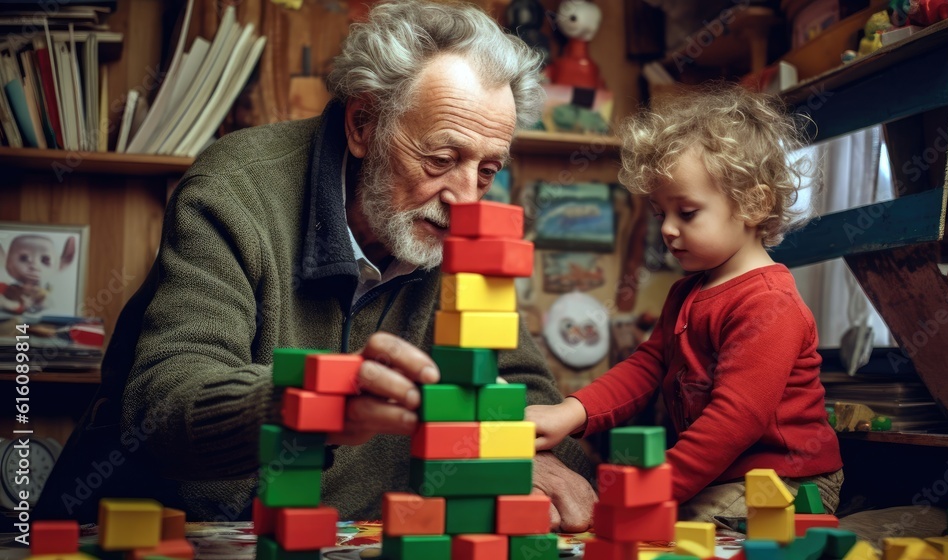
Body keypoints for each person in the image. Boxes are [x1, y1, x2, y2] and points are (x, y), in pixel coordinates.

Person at [37, 0, 596, 528]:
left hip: (340, 538)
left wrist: (518, 453)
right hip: (161, 527)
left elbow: (522, 390)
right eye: (442, 159)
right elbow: (165, 399)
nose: (466, 199)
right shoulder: (235, 191)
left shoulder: (459, 232)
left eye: (486, 170)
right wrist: (317, 400)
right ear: (362, 126)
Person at [525, 84, 843, 529]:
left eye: (687, 212)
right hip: (721, 474)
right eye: (660, 214)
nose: (668, 230)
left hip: (786, 481)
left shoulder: (768, 303)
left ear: (753, 203)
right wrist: (571, 412)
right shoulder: (687, 292)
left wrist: (655, 489)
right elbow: (646, 367)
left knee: (657, 532)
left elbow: (736, 421)